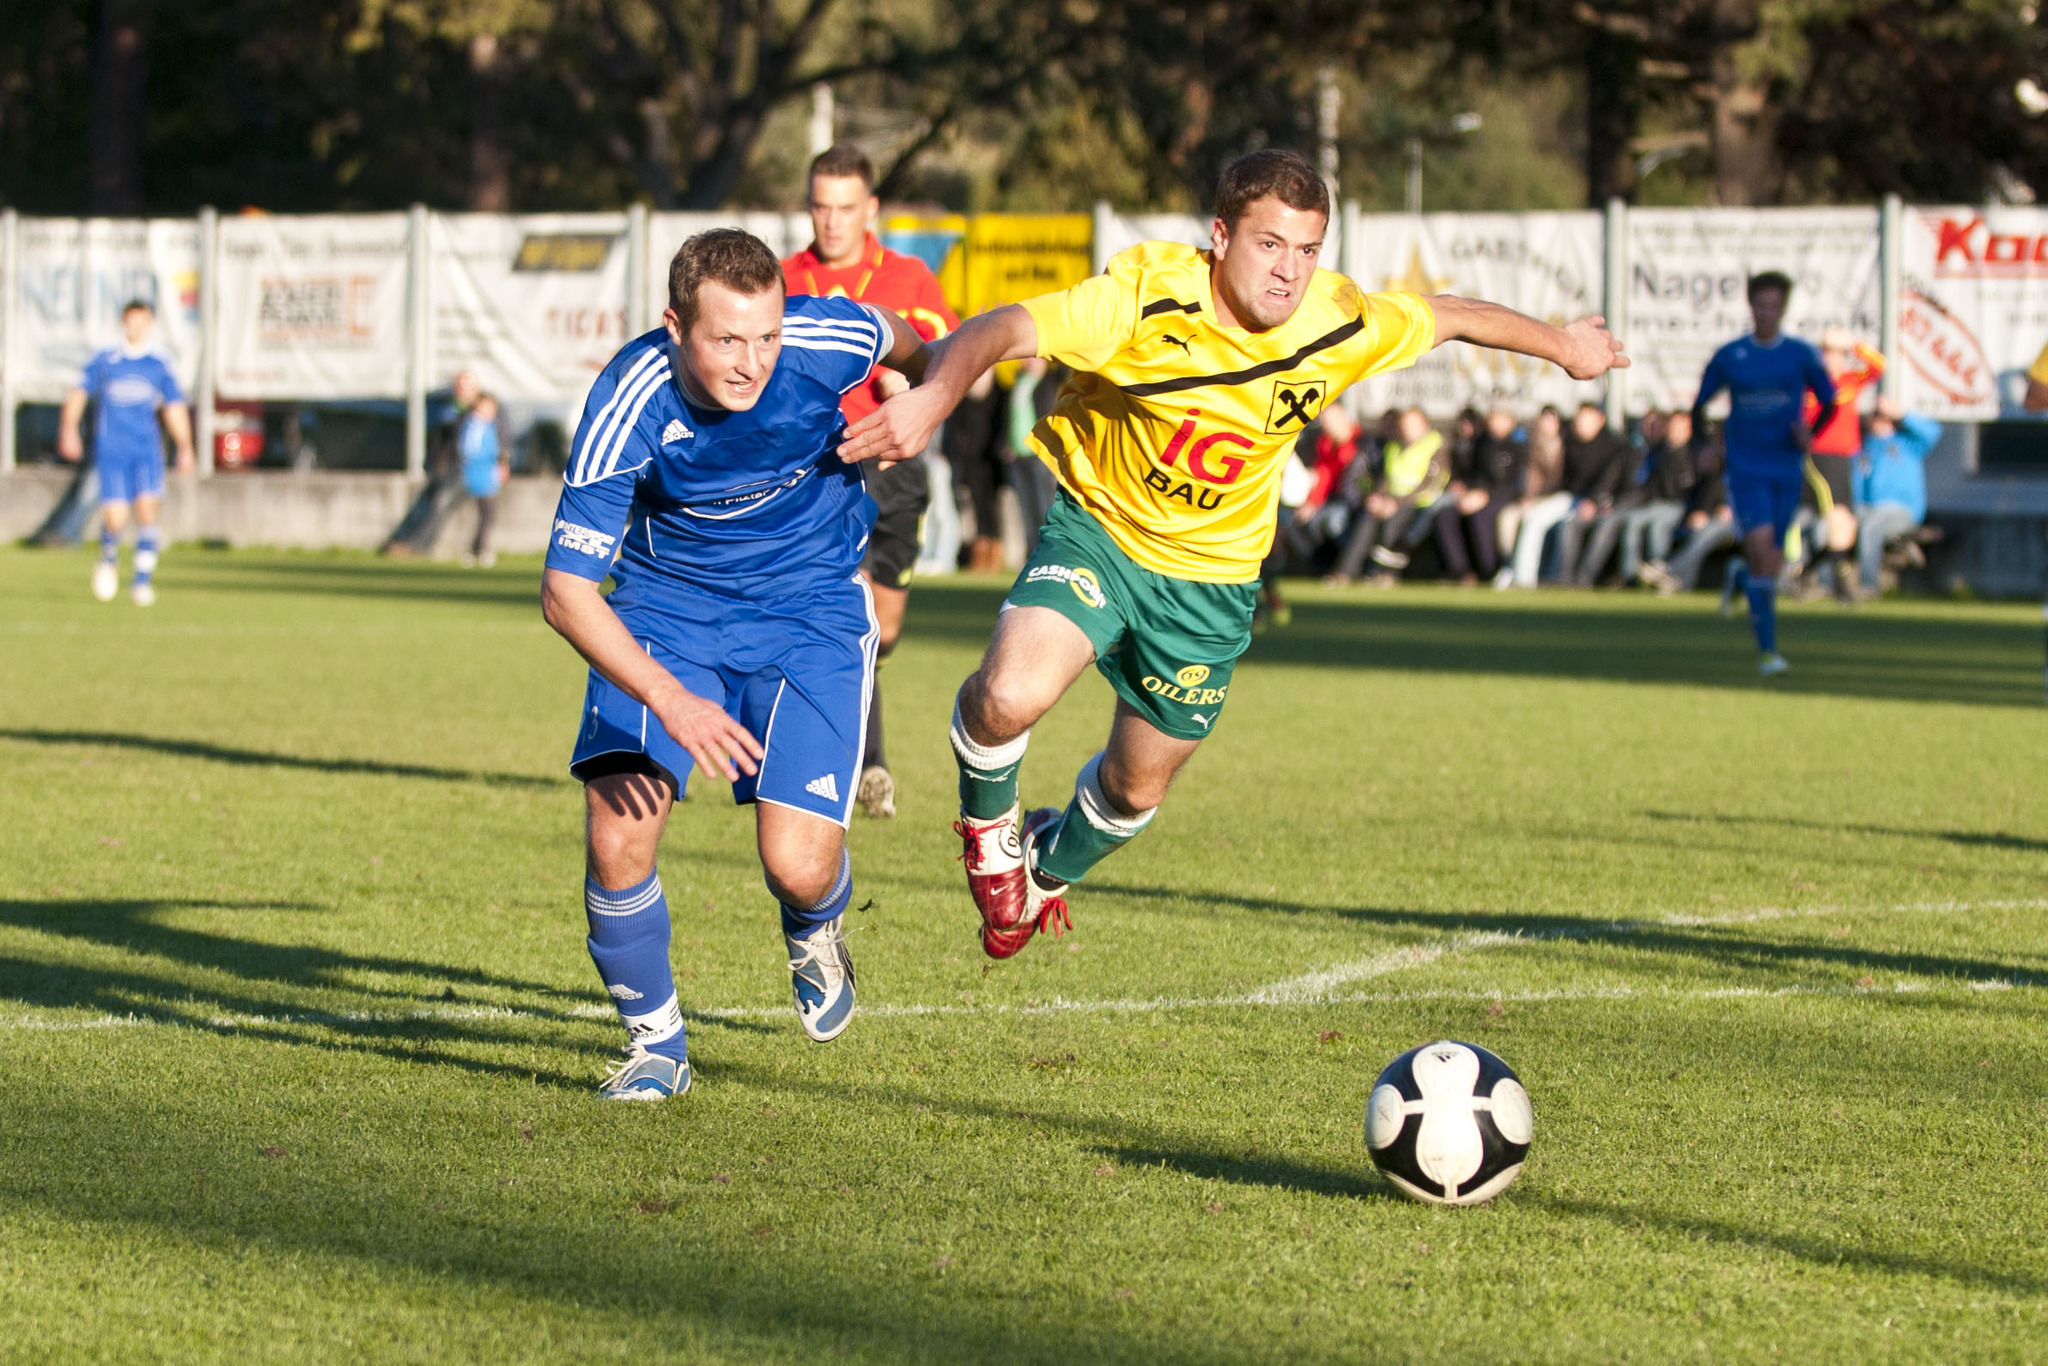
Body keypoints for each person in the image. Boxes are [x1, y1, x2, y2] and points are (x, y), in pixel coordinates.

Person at [836, 148, 1626, 959]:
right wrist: (936, 394)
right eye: (1270, 244)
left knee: (1135, 785)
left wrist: (1564, 346)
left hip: (1210, 586)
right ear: (1220, 236)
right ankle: (988, 832)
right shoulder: (1145, 299)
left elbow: (1450, 312)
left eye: (1309, 249)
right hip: (1101, 532)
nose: (1291, 271)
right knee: (1006, 696)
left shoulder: (1338, 320)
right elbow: (1006, 326)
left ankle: (1044, 866)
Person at [540, 229, 928, 1099]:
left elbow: (906, 340)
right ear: (675, 326)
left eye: (766, 337)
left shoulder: (824, 339)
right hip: (666, 616)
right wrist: (669, 697)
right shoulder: (628, 399)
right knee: (617, 834)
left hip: (812, 608)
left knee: (796, 863)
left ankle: (816, 921)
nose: (752, 363)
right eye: (726, 341)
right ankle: (657, 1047)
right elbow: (566, 591)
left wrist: (918, 388)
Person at [782, 143, 960, 820]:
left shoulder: (910, 278)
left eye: (845, 209)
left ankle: (856, 722)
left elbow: (945, 357)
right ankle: (867, 765)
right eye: (821, 208)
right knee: (849, 616)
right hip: (821, 471)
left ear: (871, 209)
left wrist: (908, 374)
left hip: (896, 470)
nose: (831, 223)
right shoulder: (782, 278)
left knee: (883, 631)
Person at [1692, 270, 1836, 676]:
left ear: (1783, 309)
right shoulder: (1731, 356)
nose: (1767, 313)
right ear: (1751, 306)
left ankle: (1740, 578)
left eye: (1775, 306)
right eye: (1761, 304)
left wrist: (1812, 433)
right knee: (1762, 550)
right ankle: (1769, 653)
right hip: (1746, 466)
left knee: (1769, 559)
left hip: (1786, 466)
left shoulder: (1801, 354)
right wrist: (1706, 447)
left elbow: (1830, 402)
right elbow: (1698, 406)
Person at [56, 299, 195, 606]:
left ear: (150, 324)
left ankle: (141, 582)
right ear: (124, 322)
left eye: (143, 322)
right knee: (116, 518)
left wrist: (185, 446)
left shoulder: (158, 363)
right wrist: (69, 429)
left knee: (147, 512)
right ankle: (108, 556)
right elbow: (79, 393)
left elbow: (174, 407)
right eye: (132, 321)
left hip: (146, 451)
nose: (137, 327)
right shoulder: (107, 359)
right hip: (112, 451)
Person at [1326, 406, 1448, 586]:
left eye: (1412, 425)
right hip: (1394, 501)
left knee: (1395, 523)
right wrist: (1378, 498)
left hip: (1420, 503)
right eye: (1404, 425)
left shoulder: (1435, 445)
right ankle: (1345, 572)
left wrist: (1395, 503)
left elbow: (1431, 485)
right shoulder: (1393, 446)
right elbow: (1385, 477)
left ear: (1425, 425)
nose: (1407, 429)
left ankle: (1386, 574)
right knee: (1367, 518)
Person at [1806, 328, 1885, 599]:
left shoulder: (1851, 380)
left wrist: (1854, 345)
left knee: (1847, 522)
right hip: (1818, 457)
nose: (1832, 360)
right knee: (1836, 518)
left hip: (1843, 459)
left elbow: (1878, 366)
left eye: (1837, 354)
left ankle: (1807, 572)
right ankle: (1842, 586)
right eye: (1827, 353)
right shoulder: (1810, 383)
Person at [1577, 409, 1697, 587]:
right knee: (1633, 522)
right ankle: (1630, 575)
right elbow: (1616, 478)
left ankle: (1660, 574)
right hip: (1648, 504)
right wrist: (1601, 501)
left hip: (1678, 506)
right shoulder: (1646, 451)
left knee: (1656, 525)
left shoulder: (1690, 452)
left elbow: (1678, 489)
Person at [1852, 396, 1939, 597]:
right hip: (1867, 509)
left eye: (1883, 416)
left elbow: (1933, 432)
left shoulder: (1907, 443)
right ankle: (1824, 585)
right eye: (1875, 415)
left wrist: (1902, 414)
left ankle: (1868, 586)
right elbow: (1855, 484)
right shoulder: (1863, 448)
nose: (1878, 420)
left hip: (1901, 510)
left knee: (1871, 527)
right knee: (1829, 527)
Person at [1435, 407, 1523, 585]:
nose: (1494, 421)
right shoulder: (1481, 444)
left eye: (1499, 418)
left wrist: (1485, 495)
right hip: (1478, 495)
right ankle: (1462, 572)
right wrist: (1465, 488)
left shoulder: (1519, 447)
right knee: (1445, 515)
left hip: (1507, 497)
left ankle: (1489, 571)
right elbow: (1475, 474)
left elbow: (1517, 484)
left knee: (1481, 516)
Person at [1496, 405, 1565, 588]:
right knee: (1508, 516)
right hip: (1534, 498)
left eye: (1551, 420)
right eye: (1544, 420)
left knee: (1532, 522)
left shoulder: (1566, 445)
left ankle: (1524, 578)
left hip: (1558, 498)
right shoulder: (1531, 446)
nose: (1546, 425)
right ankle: (1509, 565)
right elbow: (1529, 477)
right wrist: (1527, 497)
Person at [459, 392, 509, 567]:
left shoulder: (486, 425)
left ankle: (477, 549)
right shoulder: (475, 425)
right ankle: (477, 550)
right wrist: (495, 459)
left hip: (487, 475)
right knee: (487, 515)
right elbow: (469, 450)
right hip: (479, 475)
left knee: (487, 515)